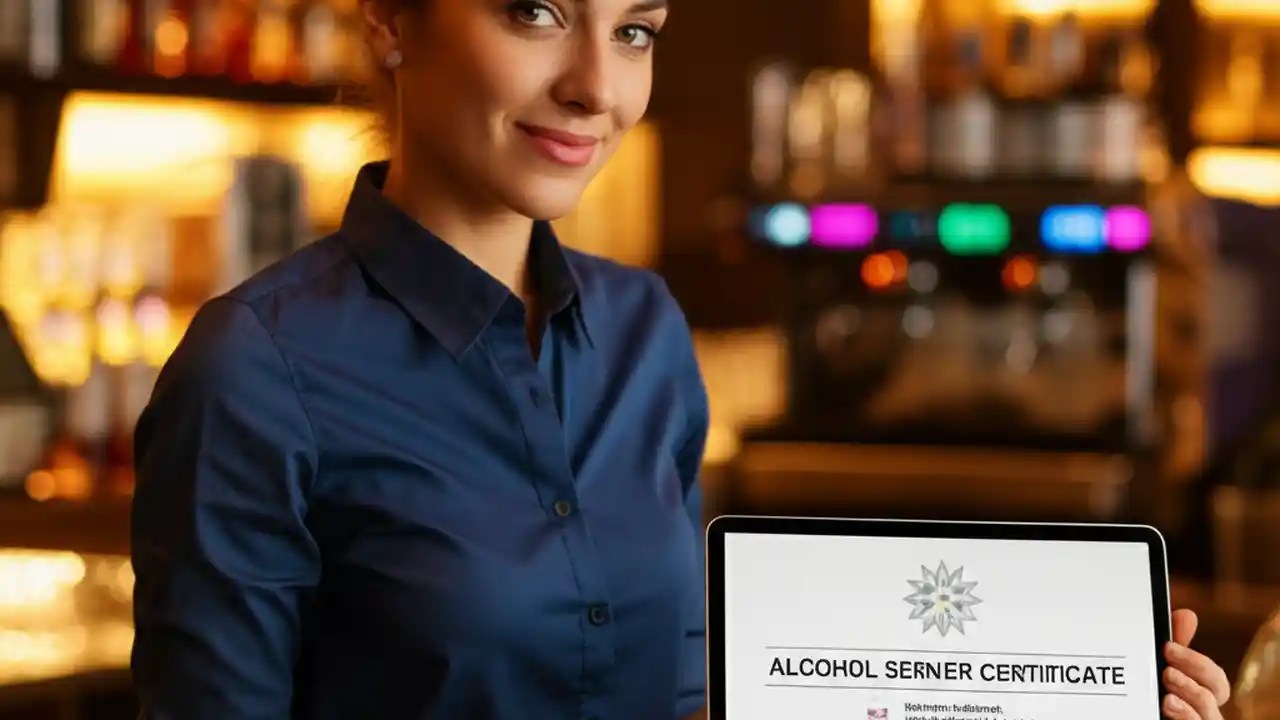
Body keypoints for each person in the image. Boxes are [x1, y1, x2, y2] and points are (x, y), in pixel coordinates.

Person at [127, 0, 1232, 718]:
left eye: (634, 31)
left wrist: (1081, 690)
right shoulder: (256, 370)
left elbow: (699, 700)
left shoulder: (643, 331)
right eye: (535, 14)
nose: (596, 90)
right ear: (387, 21)